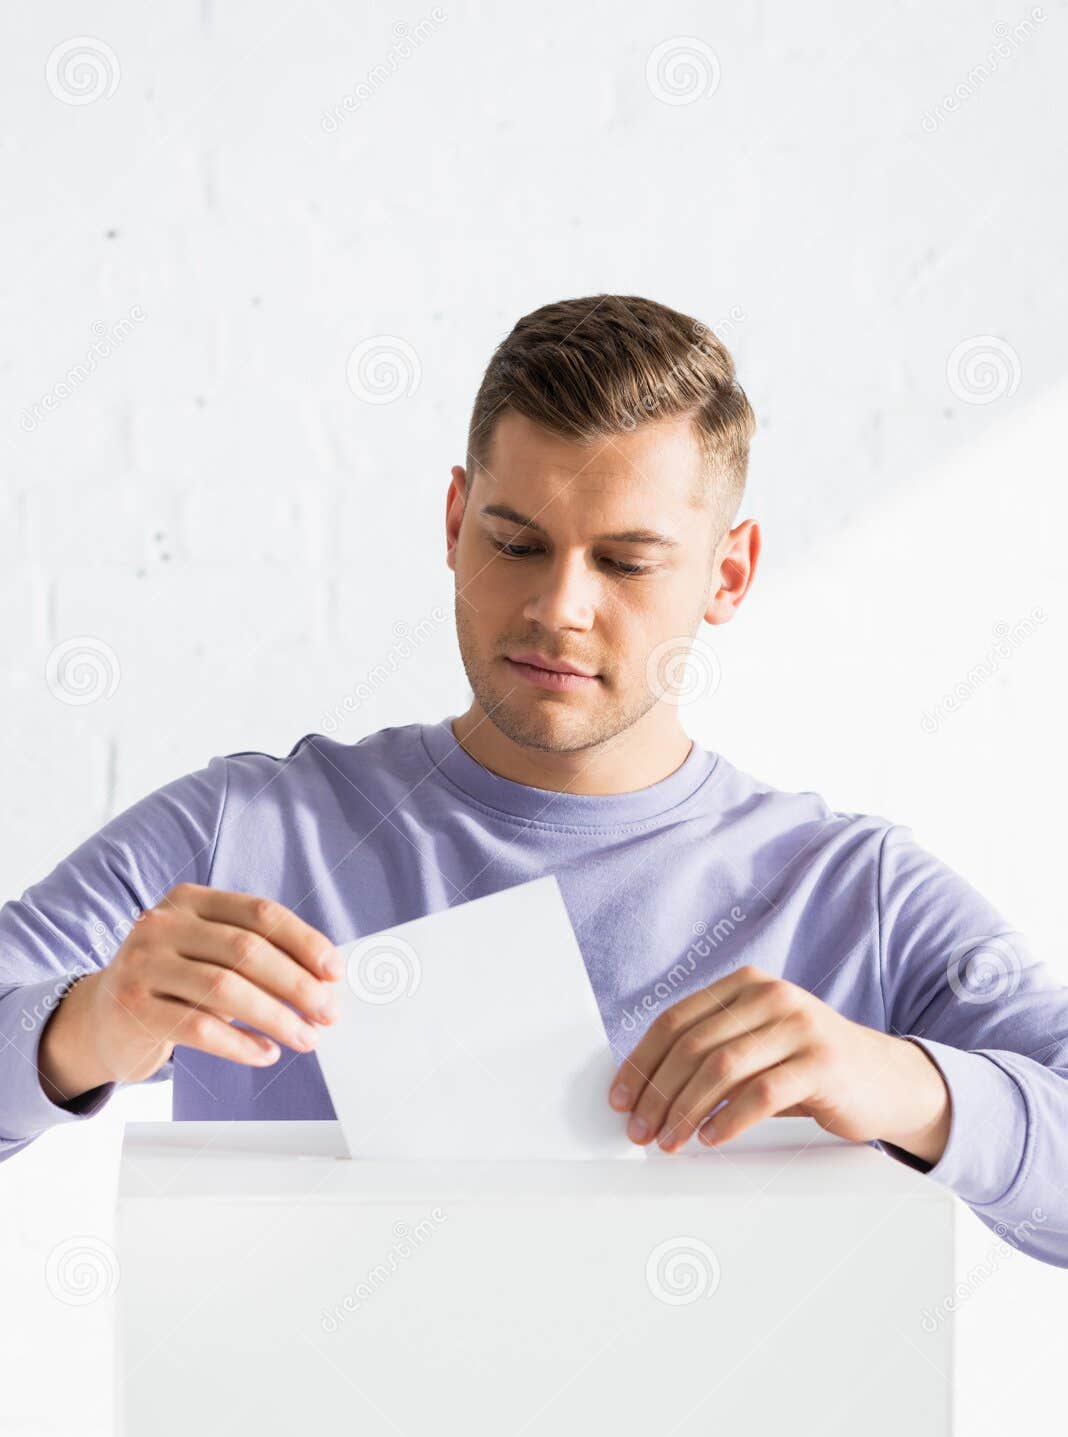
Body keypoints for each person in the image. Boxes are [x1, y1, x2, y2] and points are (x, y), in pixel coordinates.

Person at [2, 294, 1065, 1267]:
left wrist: (912, 1086)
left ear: (727, 573)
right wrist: (88, 1027)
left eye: (626, 562)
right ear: (456, 520)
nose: (559, 606)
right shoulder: (242, 836)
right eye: (515, 541)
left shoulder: (850, 893)